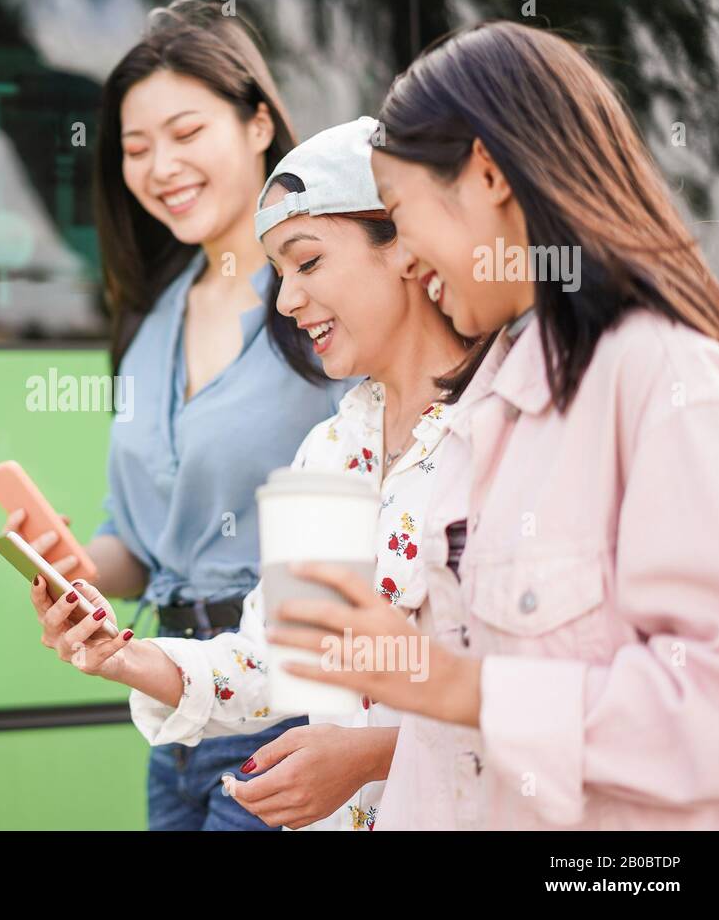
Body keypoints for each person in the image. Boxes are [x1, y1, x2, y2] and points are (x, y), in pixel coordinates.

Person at [268, 20, 719, 828]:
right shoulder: (492, 405)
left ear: (486, 175)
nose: (406, 257)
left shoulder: (663, 377)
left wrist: (450, 685)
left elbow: (712, 708)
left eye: (402, 212)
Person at [23, 117, 471, 830]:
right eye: (280, 273)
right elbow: (272, 664)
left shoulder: (511, 434)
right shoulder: (328, 451)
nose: (286, 302)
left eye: (309, 262)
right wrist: (123, 656)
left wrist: (370, 757)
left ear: (406, 244)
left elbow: (561, 708)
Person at [4, 0, 344, 831]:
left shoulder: (322, 295)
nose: (162, 166)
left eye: (187, 133)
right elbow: (143, 542)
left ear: (260, 123)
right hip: (178, 715)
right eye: (136, 147)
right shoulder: (150, 321)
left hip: (295, 707)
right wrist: (78, 569)